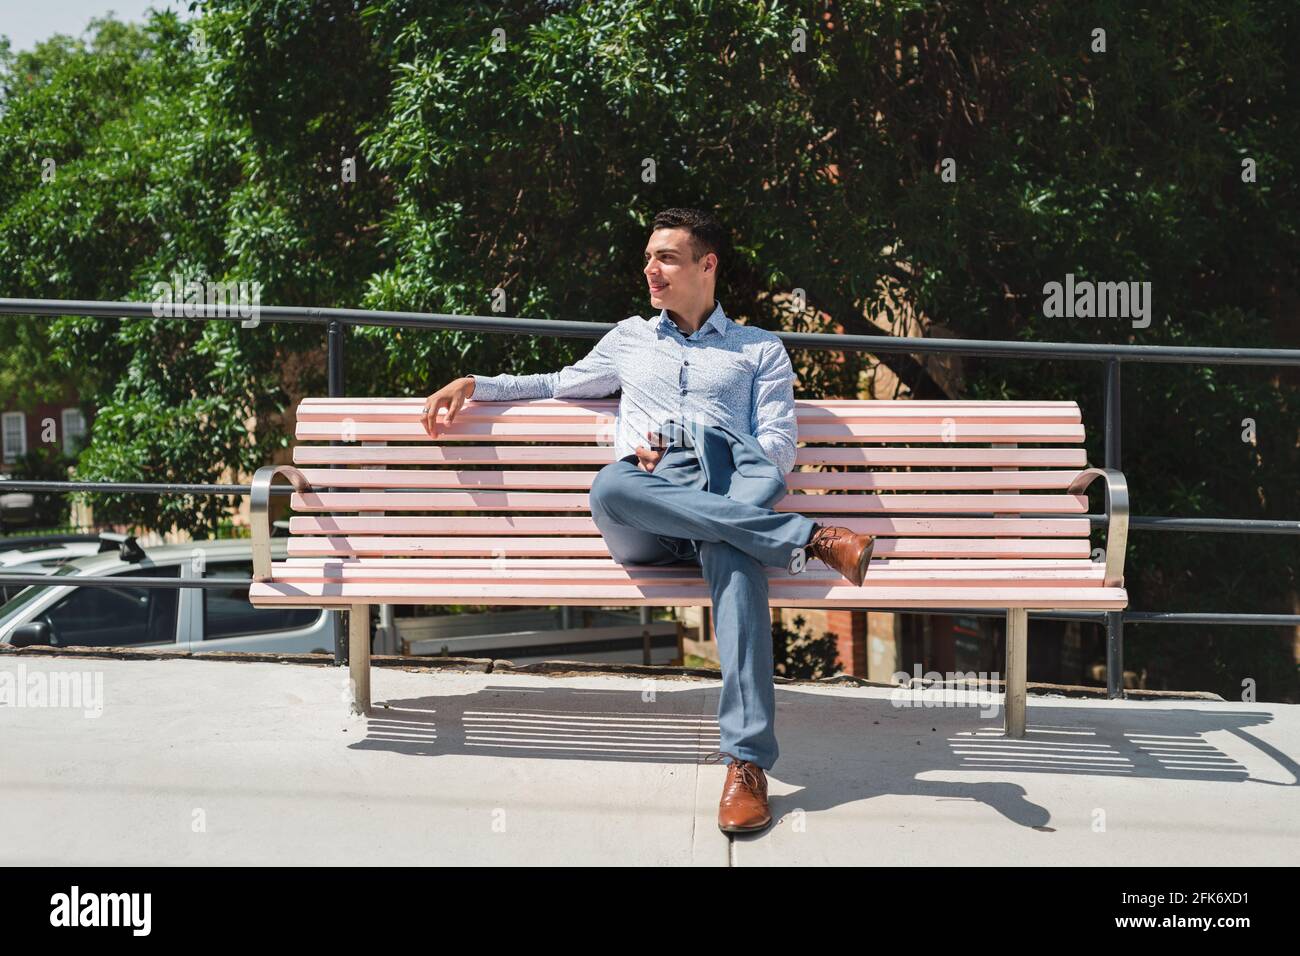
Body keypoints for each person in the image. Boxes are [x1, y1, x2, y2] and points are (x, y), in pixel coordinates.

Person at [422, 207, 874, 834]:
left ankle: (745, 766)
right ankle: (809, 538)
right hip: (648, 514)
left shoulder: (759, 350)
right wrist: (478, 382)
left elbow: (776, 447)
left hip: (727, 499)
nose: (650, 271)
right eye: (648, 258)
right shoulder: (629, 338)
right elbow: (558, 382)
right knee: (612, 482)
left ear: (706, 266)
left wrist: (701, 442)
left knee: (736, 558)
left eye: (665, 258)